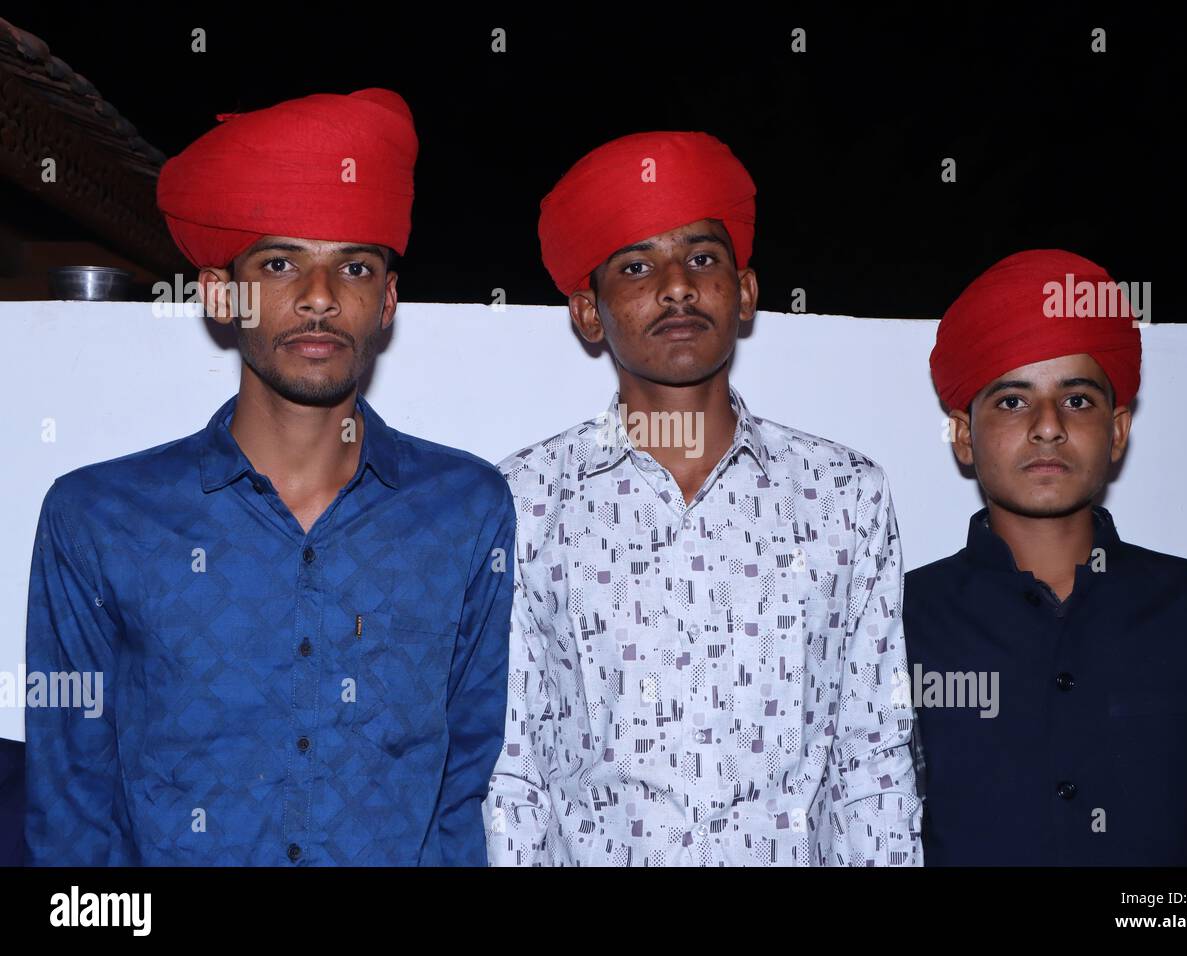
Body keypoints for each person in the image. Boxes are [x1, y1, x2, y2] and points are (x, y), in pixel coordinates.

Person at [24, 89, 514, 866]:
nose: (319, 298)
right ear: (222, 293)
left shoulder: (465, 510)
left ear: (386, 301)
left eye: (353, 266)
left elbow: (467, 786)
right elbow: (70, 805)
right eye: (281, 263)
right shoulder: (99, 518)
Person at [483, 131, 921, 866]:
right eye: (636, 265)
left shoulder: (844, 495)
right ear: (588, 313)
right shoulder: (525, 499)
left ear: (745, 294)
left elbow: (873, 760)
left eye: (702, 258)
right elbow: (514, 769)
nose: (677, 285)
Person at [906, 248, 1187, 865]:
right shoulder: (896, 623)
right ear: (962, 435)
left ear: (1117, 431)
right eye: (1012, 401)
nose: (1047, 426)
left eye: (1078, 400)